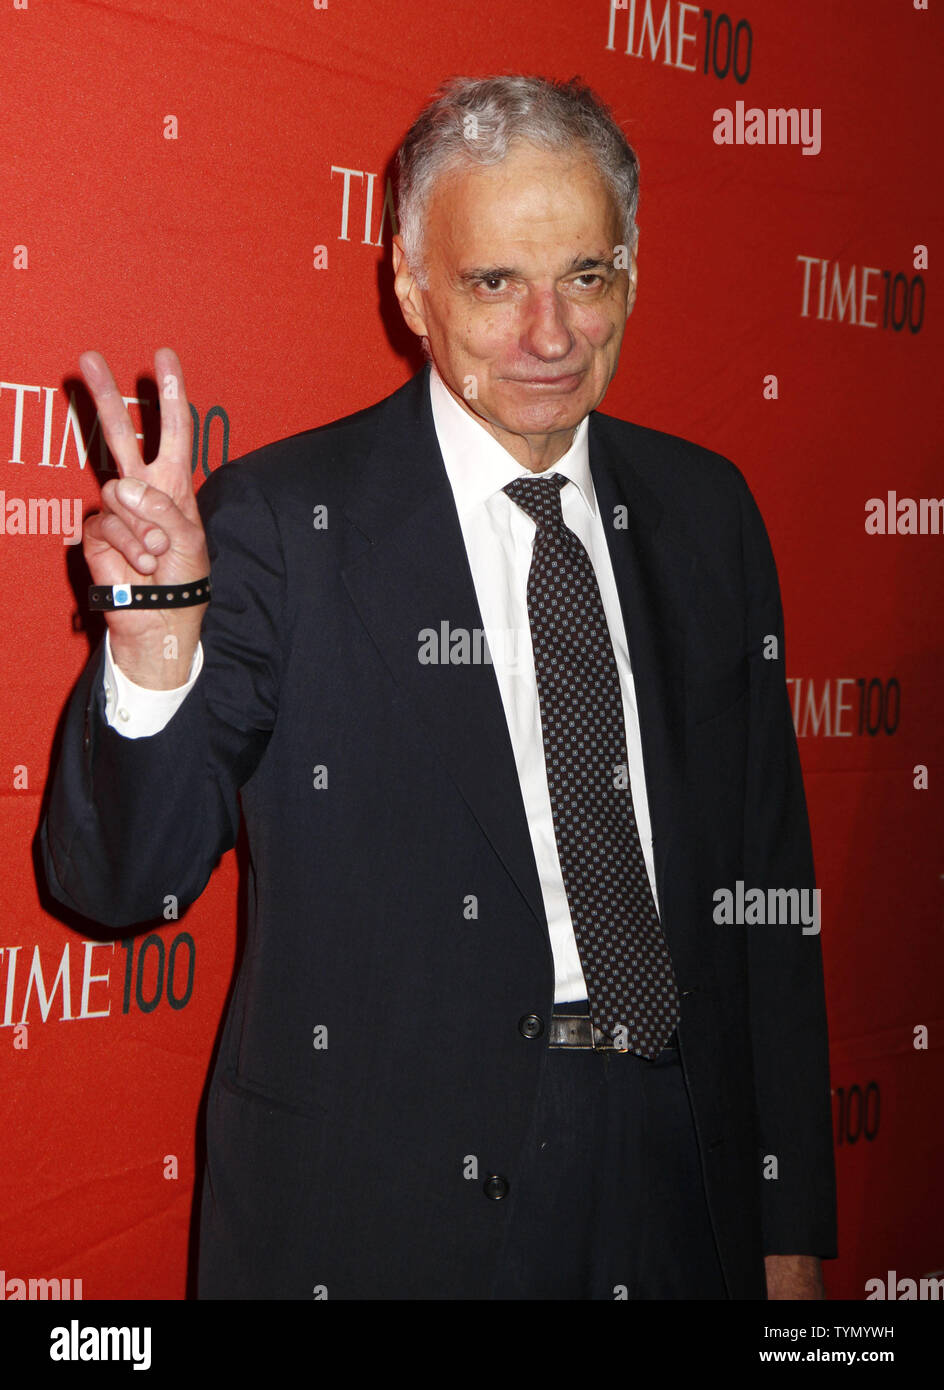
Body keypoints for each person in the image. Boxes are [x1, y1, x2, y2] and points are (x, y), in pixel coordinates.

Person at [42, 75, 836, 1300]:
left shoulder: (705, 512)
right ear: (410, 289)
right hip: (384, 1206)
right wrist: (153, 637)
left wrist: (785, 1229)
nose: (551, 335)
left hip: (682, 1172)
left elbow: (766, 887)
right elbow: (117, 881)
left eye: (585, 274)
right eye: (492, 283)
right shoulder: (279, 523)